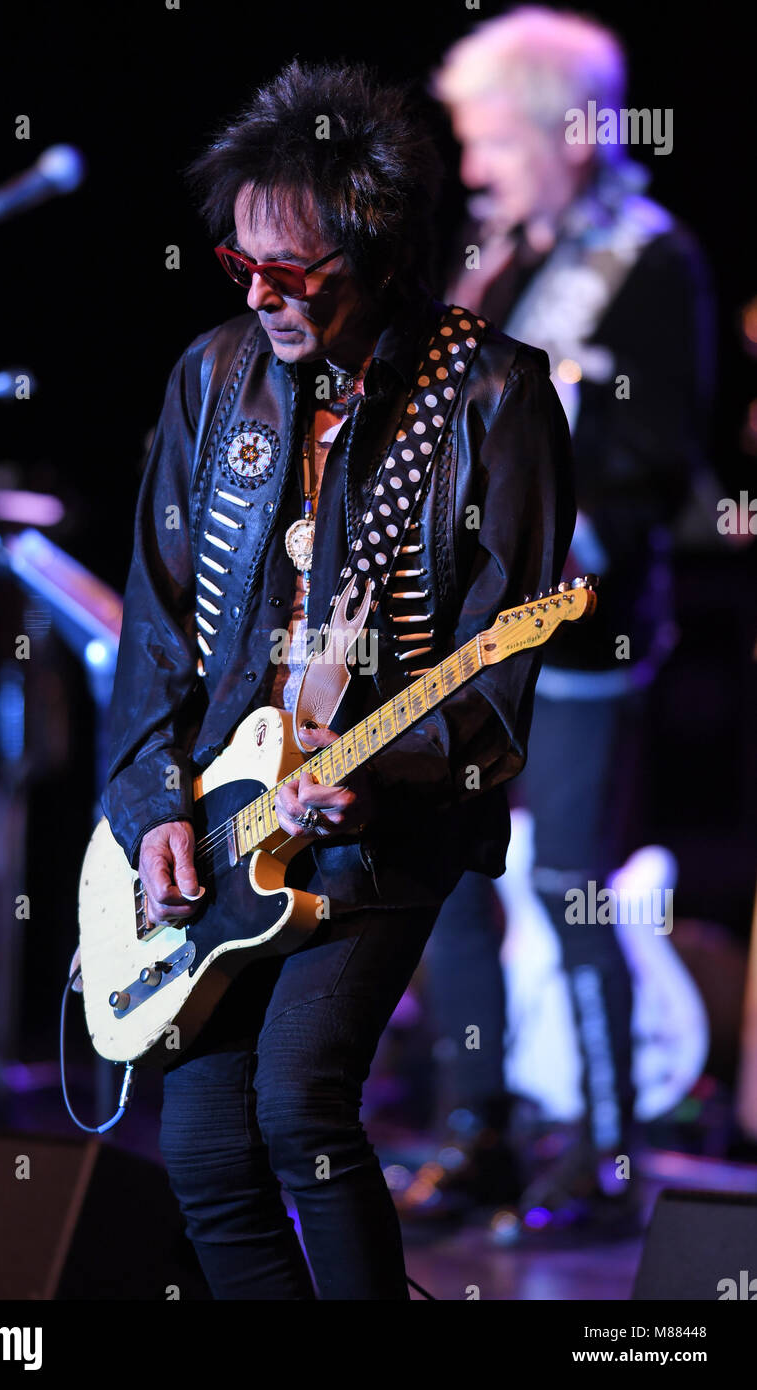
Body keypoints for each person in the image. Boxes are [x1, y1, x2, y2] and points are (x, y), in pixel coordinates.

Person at [102, 59, 574, 1300]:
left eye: (292, 269)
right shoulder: (211, 378)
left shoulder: (490, 394)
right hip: (224, 811)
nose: (260, 293)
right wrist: (150, 805)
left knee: (298, 1109)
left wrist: (387, 780)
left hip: (385, 823)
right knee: (202, 1146)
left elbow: (500, 671)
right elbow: (156, 619)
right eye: (238, 264)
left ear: (374, 249)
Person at [394, 7, 715, 1235]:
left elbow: (650, 466)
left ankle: (602, 1156)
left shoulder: (648, 260)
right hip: (463, 637)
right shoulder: (495, 256)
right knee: (444, 877)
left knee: (574, 889)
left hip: (579, 638)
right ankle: (475, 1129)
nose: (471, 169)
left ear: (565, 132)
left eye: (491, 141)